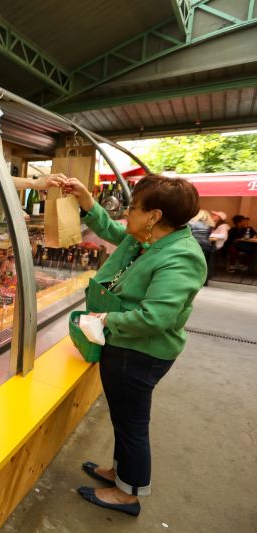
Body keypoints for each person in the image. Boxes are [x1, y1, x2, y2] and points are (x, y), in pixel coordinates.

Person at [63, 175, 206, 517]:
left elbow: (155, 317)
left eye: (133, 208)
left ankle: (128, 495)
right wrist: (86, 200)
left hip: (142, 353)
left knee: (132, 423)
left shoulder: (181, 257)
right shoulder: (149, 238)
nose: (127, 214)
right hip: (125, 347)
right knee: (123, 416)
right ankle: (120, 474)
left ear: (154, 216)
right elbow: (114, 232)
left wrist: (107, 319)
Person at [188, 210, 214, 284]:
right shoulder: (210, 225)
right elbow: (207, 236)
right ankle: (204, 281)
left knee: (191, 263)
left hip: (193, 245)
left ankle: (190, 279)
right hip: (206, 246)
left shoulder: (191, 222)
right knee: (204, 263)